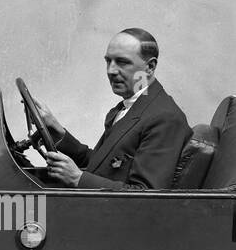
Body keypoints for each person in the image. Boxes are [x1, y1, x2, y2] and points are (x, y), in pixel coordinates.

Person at [36, 28, 191, 190]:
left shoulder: (164, 117)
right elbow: (101, 165)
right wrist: (58, 132)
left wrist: (78, 179)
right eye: (108, 61)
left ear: (150, 67)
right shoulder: (132, 107)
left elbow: (147, 196)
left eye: (122, 62)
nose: (111, 70)